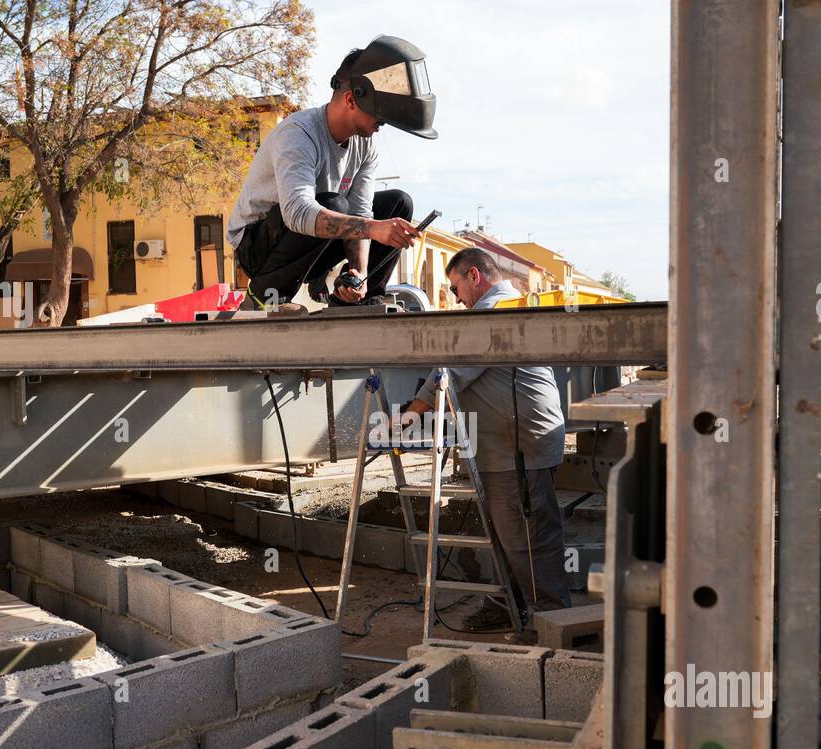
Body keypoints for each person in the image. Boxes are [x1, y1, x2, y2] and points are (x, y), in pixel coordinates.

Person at [402, 248, 571, 631]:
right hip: (509, 444)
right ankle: (505, 604)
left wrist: (406, 419)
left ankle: (553, 624)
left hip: (519, 448)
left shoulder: (495, 313)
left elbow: (448, 372)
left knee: (528, 538)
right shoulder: (503, 307)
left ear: (474, 276)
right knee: (506, 531)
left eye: (455, 286)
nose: (455, 296)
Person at [227, 36, 437, 308]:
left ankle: (358, 298)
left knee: (398, 203)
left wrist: (358, 273)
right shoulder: (298, 134)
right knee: (332, 203)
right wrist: (374, 229)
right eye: (378, 115)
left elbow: (361, 214)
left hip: (313, 245)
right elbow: (298, 213)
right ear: (351, 99)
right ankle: (265, 296)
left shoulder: (365, 145)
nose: (382, 123)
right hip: (258, 249)